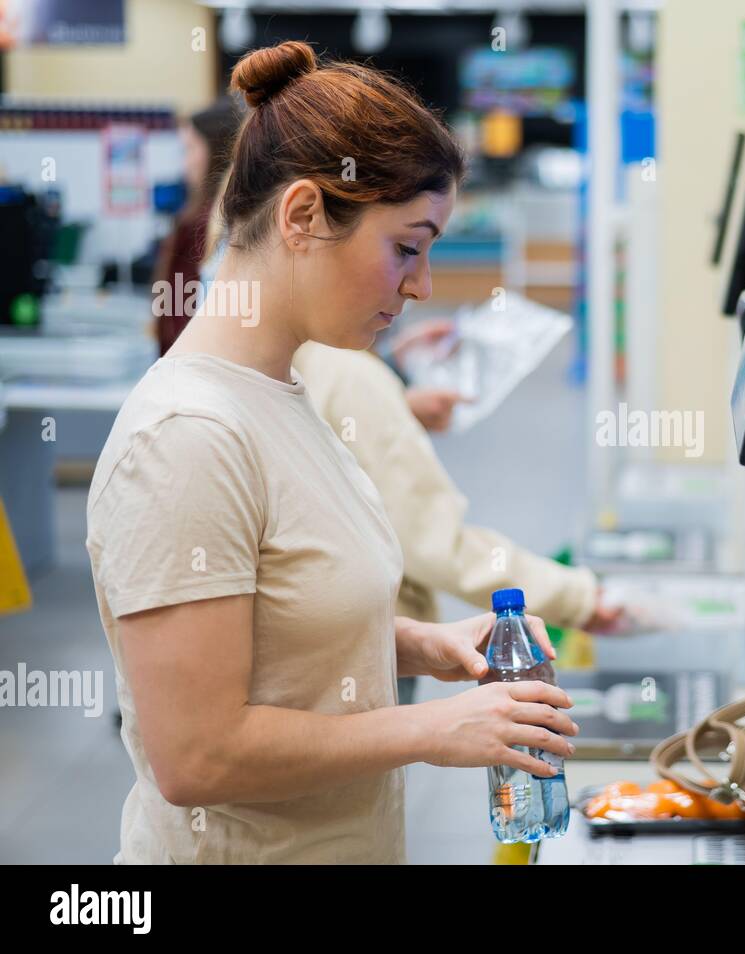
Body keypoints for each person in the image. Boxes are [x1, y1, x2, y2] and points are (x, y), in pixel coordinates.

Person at [85, 41, 576, 864]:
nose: (420, 285)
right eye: (407, 247)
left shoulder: (287, 393)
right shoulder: (187, 440)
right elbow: (195, 755)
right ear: (303, 215)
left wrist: (420, 645)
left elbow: (276, 617)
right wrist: (427, 728)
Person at [290, 337, 624, 706]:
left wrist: (392, 390)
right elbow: (436, 542)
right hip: (369, 648)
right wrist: (579, 599)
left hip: (321, 651)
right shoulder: (349, 376)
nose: (419, 288)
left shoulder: (284, 364)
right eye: (400, 274)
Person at [153, 96, 241, 356]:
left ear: (215, 150)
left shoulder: (209, 224)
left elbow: (182, 314)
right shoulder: (202, 219)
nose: (185, 163)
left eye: (190, 149)